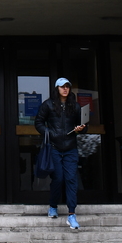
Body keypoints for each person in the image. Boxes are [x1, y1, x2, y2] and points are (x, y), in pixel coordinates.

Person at [34, 77, 85, 230]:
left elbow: (83, 124)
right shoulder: (48, 105)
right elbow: (38, 123)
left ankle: (71, 214)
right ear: (57, 88)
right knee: (58, 178)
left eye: (67, 87)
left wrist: (81, 128)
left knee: (71, 179)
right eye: (62, 87)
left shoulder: (74, 106)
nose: (65, 89)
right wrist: (49, 133)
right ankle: (53, 206)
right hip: (54, 147)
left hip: (70, 148)